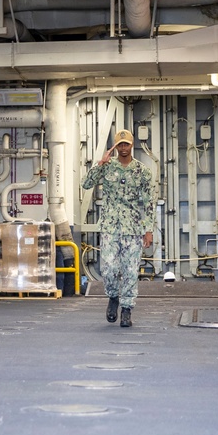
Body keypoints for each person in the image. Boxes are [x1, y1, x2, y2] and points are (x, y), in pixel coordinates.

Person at [80, 129, 156, 328]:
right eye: (120, 145)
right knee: (109, 269)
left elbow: (148, 202)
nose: (124, 148)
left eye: (127, 144)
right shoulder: (107, 167)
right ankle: (113, 297)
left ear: (132, 145)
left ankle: (127, 309)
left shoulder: (142, 171)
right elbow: (86, 184)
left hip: (132, 229)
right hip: (110, 228)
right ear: (115, 147)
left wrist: (148, 230)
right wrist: (100, 164)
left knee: (130, 271)